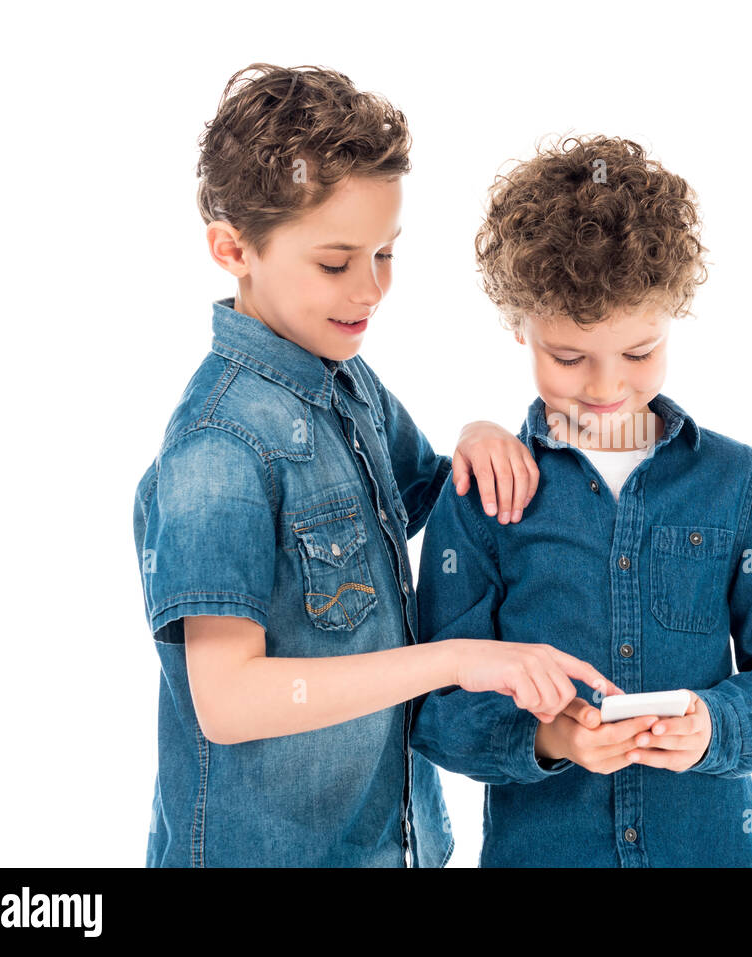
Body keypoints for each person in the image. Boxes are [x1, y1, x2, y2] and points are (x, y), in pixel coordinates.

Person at [132, 64, 619, 868]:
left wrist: (478, 432)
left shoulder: (347, 383)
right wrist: (459, 660)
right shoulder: (217, 450)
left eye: (386, 253)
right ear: (233, 249)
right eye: (335, 262)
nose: (371, 288)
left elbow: (423, 492)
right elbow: (227, 700)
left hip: (396, 846)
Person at [411, 134, 752, 866]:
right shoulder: (482, 496)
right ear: (521, 325)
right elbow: (433, 706)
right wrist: (551, 737)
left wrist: (716, 725)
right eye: (569, 357)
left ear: (674, 317)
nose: (607, 389)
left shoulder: (740, 485)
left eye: (639, 353)